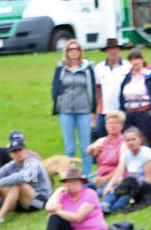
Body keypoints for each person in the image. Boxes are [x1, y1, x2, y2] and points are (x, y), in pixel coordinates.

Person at [41, 167, 108, 230]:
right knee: (54, 218)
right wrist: (58, 191)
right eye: (68, 182)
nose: (71, 184)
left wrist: (57, 211)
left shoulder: (90, 194)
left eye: (74, 181)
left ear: (81, 182)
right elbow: (49, 207)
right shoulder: (64, 195)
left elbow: (78, 217)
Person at [0, 131, 51, 230]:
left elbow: (22, 177)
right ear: (10, 154)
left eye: (20, 150)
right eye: (14, 151)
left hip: (39, 202)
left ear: (25, 150)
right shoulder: (12, 165)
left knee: (17, 184)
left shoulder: (33, 163)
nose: (18, 153)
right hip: (21, 202)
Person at [53, 40, 99, 180]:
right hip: (66, 111)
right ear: (66, 52)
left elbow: (92, 88)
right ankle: (72, 176)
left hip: (84, 110)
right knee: (69, 148)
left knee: (86, 146)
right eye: (70, 49)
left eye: (76, 49)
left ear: (80, 51)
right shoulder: (61, 68)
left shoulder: (87, 67)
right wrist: (58, 105)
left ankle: (87, 176)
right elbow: (55, 88)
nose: (73, 51)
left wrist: (93, 109)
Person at [102, 126, 151, 212]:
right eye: (128, 140)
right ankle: (105, 205)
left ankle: (111, 210)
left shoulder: (147, 154)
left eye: (133, 139)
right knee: (115, 187)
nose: (131, 142)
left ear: (140, 140)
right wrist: (109, 185)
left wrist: (133, 191)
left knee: (126, 196)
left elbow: (150, 179)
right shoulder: (126, 155)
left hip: (148, 188)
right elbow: (117, 175)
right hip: (133, 185)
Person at [118, 49, 151, 153]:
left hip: (145, 113)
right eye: (132, 59)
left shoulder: (150, 75)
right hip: (129, 114)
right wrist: (122, 111)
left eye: (137, 59)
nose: (135, 62)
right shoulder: (127, 77)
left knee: (148, 142)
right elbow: (121, 96)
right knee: (129, 142)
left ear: (142, 60)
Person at [94, 38, 130, 144]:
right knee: (103, 141)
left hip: (122, 111)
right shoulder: (99, 68)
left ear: (119, 50)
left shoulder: (127, 66)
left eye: (115, 49)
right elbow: (97, 89)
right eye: (110, 49)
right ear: (106, 51)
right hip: (104, 111)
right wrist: (96, 109)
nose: (113, 52)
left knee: (123, 141)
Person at [89, 112, 129, 192]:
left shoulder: (124, 144)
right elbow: (88, 150)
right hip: (99, 176)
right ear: (106, 125)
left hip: (116, 178)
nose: (112, 126)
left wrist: (104, 179)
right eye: (110, 123)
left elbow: (122, 168)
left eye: (116, 123)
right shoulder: (102, 141)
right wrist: (92, 148)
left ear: (121, 126)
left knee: (97, 192)